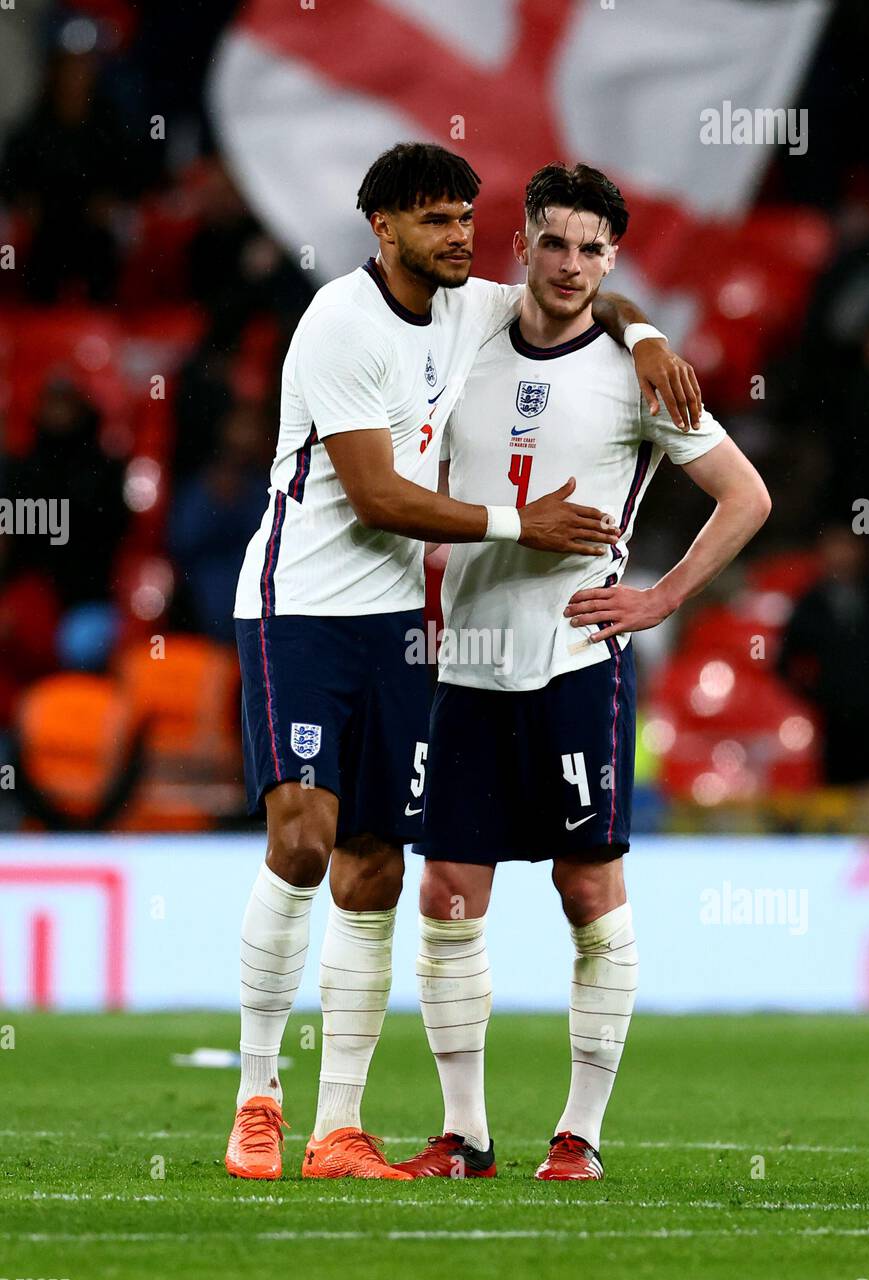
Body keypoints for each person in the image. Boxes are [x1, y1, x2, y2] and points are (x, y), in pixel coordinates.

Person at [225, 142, 701, 1181]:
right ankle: (257, 1096)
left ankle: (337, 1128)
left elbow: (580, 290)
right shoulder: (340, 323)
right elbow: (375, 498)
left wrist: (645, 331)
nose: (457, 237)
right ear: (382, 228)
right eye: (434, 220)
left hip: (401, 624)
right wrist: (519, 524)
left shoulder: (468, 306)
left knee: (375, 866)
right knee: (301, 842)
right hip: (301, 609)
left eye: (463, 218)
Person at [394, 162, 770, 1181]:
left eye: (590, 250)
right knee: (447, 893)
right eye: (553, 242)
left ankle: (580, 1133)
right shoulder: (463, 337)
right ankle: (464, 1135)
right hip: (467, 662)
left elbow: (745, 497)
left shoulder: (641, 374)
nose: (569, 264)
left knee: (587, 887)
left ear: (612, 261)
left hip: (575, 661)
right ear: (520, 243)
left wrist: (661, 597)